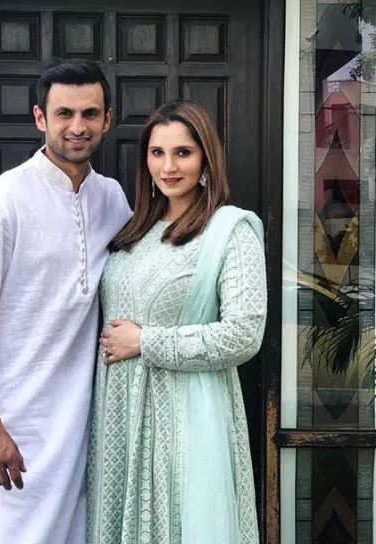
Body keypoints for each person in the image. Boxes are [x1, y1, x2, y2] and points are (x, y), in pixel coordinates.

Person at [0, 59, 131, 544]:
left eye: (89, 114)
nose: (77, 126)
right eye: (64, 113)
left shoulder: (112, 200)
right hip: (8, 431)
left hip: (78, 434)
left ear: (107, 119)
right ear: (40, 118)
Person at [86, 100, 267, 544]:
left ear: (206, 158)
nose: (168, 167)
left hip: (185, 418)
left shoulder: (230, 230)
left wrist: (146, 342)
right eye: (157, 153)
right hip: (119, 416)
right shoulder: (134, 231)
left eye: (183, 152)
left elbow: (244, 334)